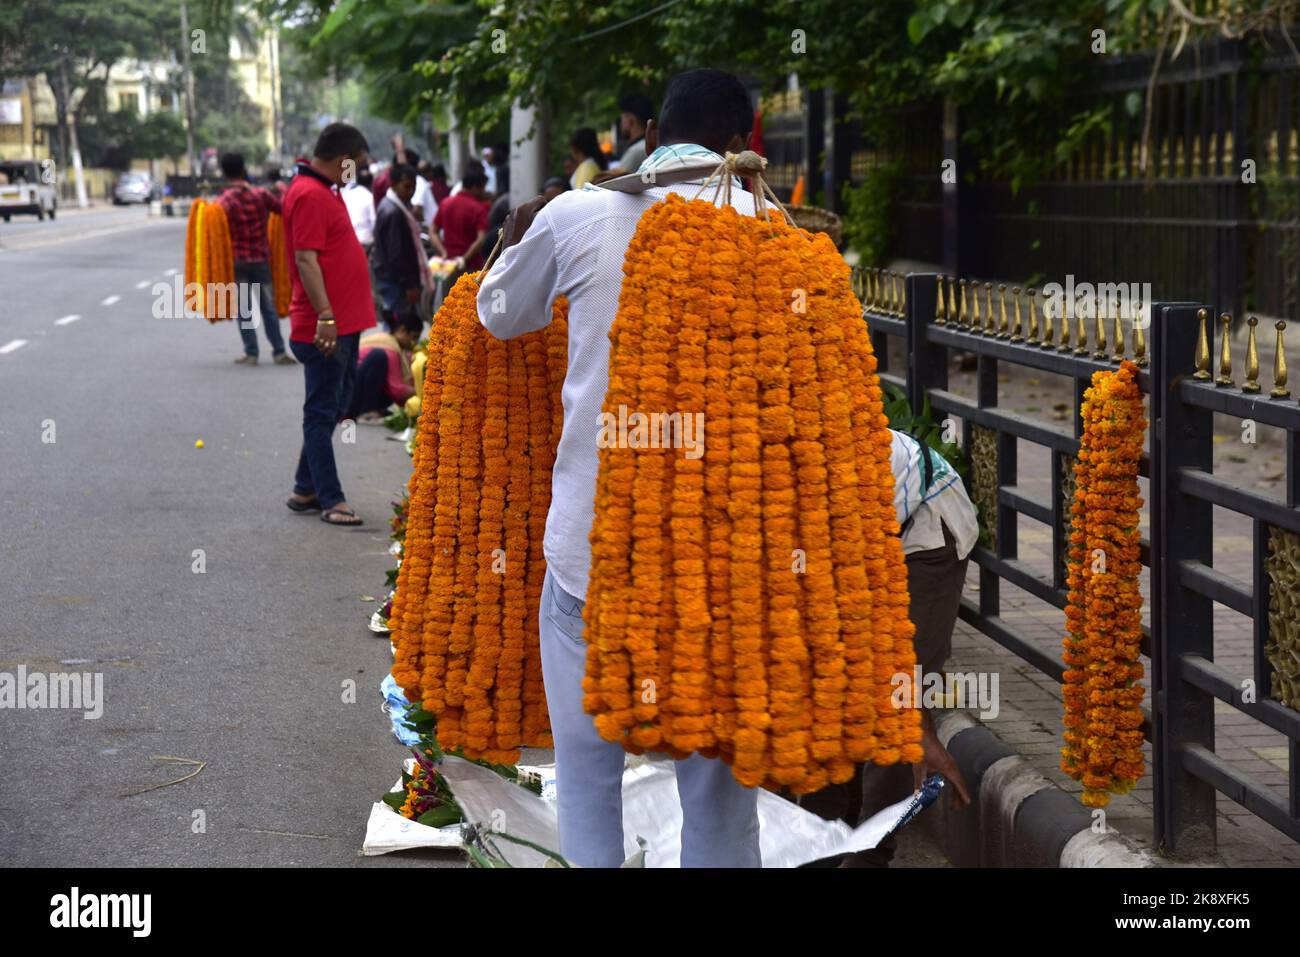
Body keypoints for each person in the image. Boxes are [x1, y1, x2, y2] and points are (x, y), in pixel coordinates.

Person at [796, 429, 978, 866]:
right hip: (854, 537)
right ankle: (821, 834)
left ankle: (870, 853)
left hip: (926, 532)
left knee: (896, 694)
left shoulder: (826, 478)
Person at [282, 122, 376, 527]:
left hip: (343, 323)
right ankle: (330, 499)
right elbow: (306, 258)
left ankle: (305, 487)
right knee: (321, 412)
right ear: (344, 160)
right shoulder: (308, 194)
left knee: (336, 405)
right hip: (324, 326)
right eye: (359, 164)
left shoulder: (325, 190)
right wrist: (325, 316)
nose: (362, 172)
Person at [215, 152, 292, 366]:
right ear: (243, 169)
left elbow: (215, 229)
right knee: (268, 307)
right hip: (260, 259)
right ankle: (279, 351)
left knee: (244, 309)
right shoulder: (261, 195)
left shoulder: (223, 202)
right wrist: (284, 191)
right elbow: (284, 209)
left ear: (224, 173)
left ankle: (251, 353)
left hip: (237, 261)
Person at [372, 163, 443, 320]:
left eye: (413, 188)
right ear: (394, 184)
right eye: (407, 187)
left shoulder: (396, 207)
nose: (410, 192)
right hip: (395, 281)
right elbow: (395, 254)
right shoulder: (393, 212)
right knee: (401, 326)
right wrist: (408, 285)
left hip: (393, 278)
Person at [346, 309, 422, 421]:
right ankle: (368, 410)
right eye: (414, 337)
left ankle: (374, 408)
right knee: (378, 356)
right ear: (402, 330)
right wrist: (422, 391)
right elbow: (396, 389)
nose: (415, 342)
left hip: (352, 391)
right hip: (349, 395)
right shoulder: (389, 347)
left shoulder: (395, 346)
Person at [434, 166, 490, 270]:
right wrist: (463, 260)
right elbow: (481, 239)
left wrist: (443, 252)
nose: (484, 192)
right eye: (482, 188)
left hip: (447, 265)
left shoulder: (445, 203)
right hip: (471, 267)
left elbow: (432, 231)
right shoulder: (478, 208)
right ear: (474, 187)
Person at [612, 94, 653, 174]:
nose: (621, 123)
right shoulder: (653, 146)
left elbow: (618, 184)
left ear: (631, 120)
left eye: (622, 118)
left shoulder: (635, 152)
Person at [342, 165, 376, 252]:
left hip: (349, 240)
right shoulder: (369, 197)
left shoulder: (346, 194)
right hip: (366, 242)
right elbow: (374, 222)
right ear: (371, 183)